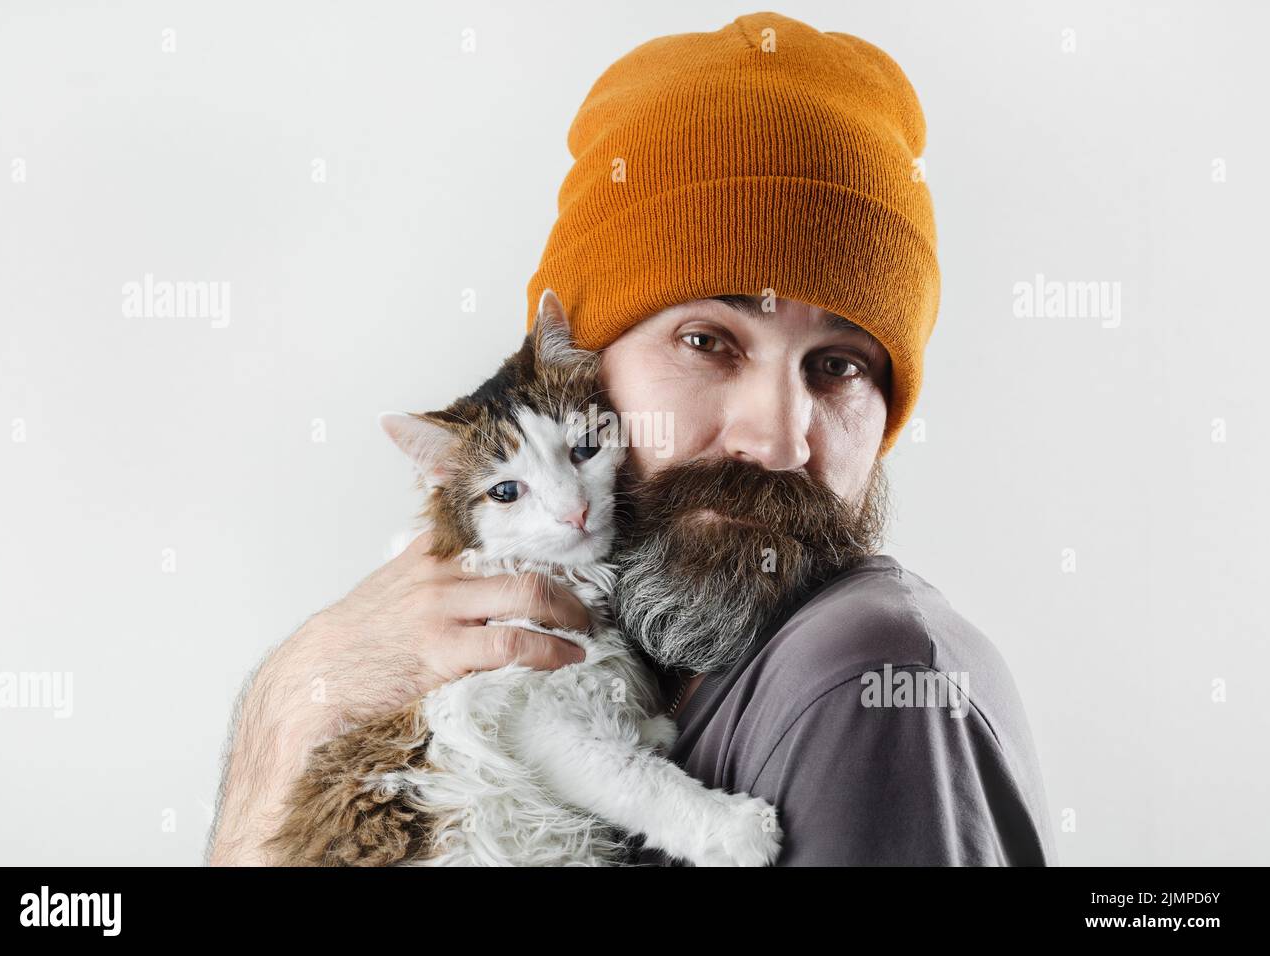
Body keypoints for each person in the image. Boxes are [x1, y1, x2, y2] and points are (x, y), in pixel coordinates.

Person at [207, 12, 1057, 866]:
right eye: (707, 341)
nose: (777, 441)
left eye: (837, 366)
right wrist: (292, 710)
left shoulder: (867, 680)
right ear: (578, 369)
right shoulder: (635, 662)